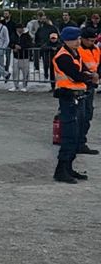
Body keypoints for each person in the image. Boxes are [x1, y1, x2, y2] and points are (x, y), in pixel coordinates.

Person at [52, 27, 88, 184]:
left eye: (79, 39)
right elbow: (75, 75)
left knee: (76, 133)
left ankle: (68, 168)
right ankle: (61, 170)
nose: (78, 41)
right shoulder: (63, 56)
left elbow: (82, 71)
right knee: (69, 135)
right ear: (67, 40)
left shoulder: (74, 53)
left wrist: (89, 76)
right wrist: (89, 78)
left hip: (77, 97)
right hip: (67, 97)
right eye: (76, 39)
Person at [77, 27, 100, 155]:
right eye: (90, 40)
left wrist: (97, 76)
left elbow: (98, 64)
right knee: (80, 115)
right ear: (83, 39)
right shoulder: (77, 50)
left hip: (91, 86)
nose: (93, 42)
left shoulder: (96, 49)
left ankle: (81, 141)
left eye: (94, 40)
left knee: (88, 114)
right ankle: (77, 142)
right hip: (80, 86)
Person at [12, 24, 34, 92]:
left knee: (25, 73)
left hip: (25, 57)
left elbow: (30, 44)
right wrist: (14, 46)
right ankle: (15, 86)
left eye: (21, 28)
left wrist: (21, 47)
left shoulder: (27, 35)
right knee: (15, 72)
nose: (20, 30)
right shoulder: (13, 35)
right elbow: (10, 43)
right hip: (16, 57)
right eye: (19, 28)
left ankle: (25, 86)